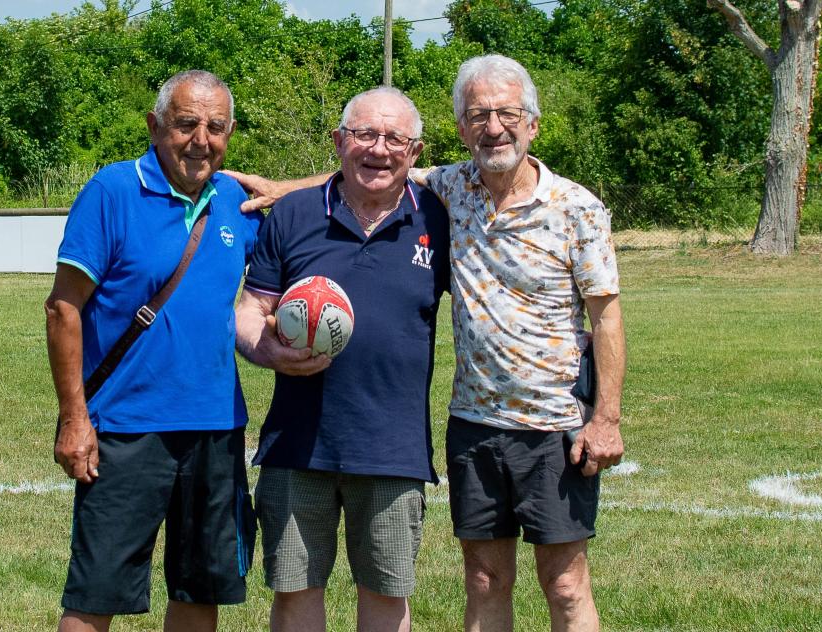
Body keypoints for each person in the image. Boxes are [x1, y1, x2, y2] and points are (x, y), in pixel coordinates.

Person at [227, 55, 626, 632]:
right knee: (484, 580)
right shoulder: (448, 192)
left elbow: (607, 318)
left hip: (543, 424)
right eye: (478, 115)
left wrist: (606, 416)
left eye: (507, 113)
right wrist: (290, 190)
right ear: (462, 129)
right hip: (466, 426)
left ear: (532, 123)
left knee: (565, 584)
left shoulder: (559, 209)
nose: (494, 127)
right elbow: (369, 170)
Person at [45, 69, 285, 632]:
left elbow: (338, 182)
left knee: (201, 587)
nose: (200, 139)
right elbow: (62, 309)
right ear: (155, 127)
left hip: (215, 426)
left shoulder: (234, 200)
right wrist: (75, 417)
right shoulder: (112, 191)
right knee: (95, 591)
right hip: (126, 428)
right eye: (185, 124)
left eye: (216, 128)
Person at [234, 87, 450, 632]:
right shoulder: (294, 214)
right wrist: (269, 351)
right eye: (364, 135)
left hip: (393, 448)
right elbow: (248, 311)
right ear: (339, 141)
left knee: (385, 598)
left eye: (395, 138)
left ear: (415, 152)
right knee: (295, 593)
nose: (378, 149)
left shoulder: (440, 219)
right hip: (298, 443)